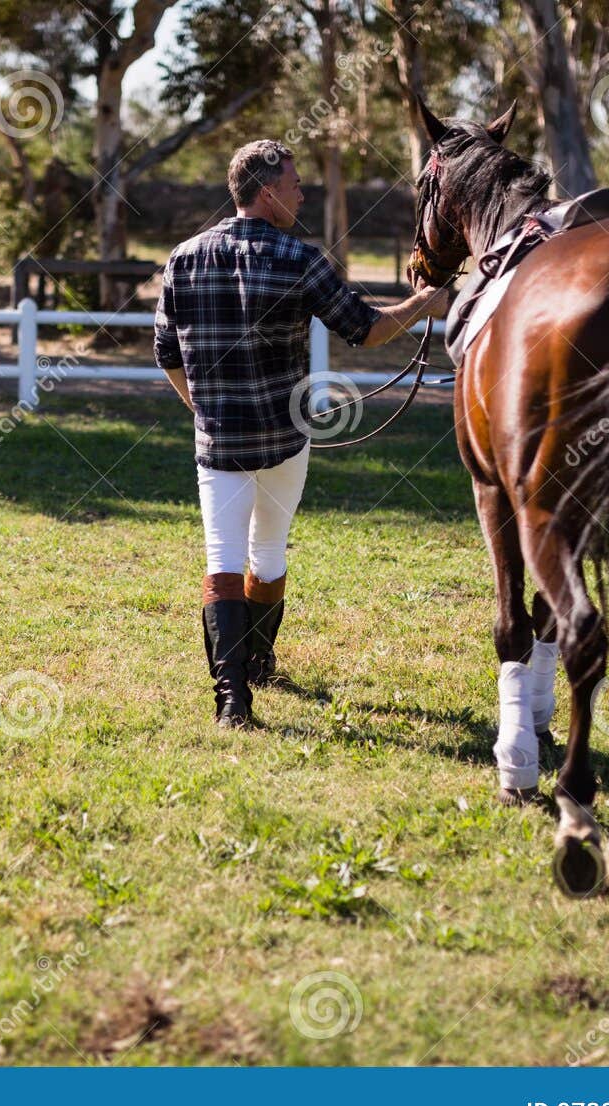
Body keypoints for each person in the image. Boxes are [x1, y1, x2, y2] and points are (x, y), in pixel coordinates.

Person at [154, 140, 454, 728]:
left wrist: (202, 409)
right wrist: (426, 301)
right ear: (267, 194)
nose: (301, 193)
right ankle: (260, 662)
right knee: (267, 554)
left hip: (218, 444)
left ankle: (232, 700)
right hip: (285, 442)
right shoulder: (300, 257)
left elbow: (167, 353)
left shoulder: (183, 258)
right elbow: (364, 330)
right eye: (293, 185)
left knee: (223, 560)